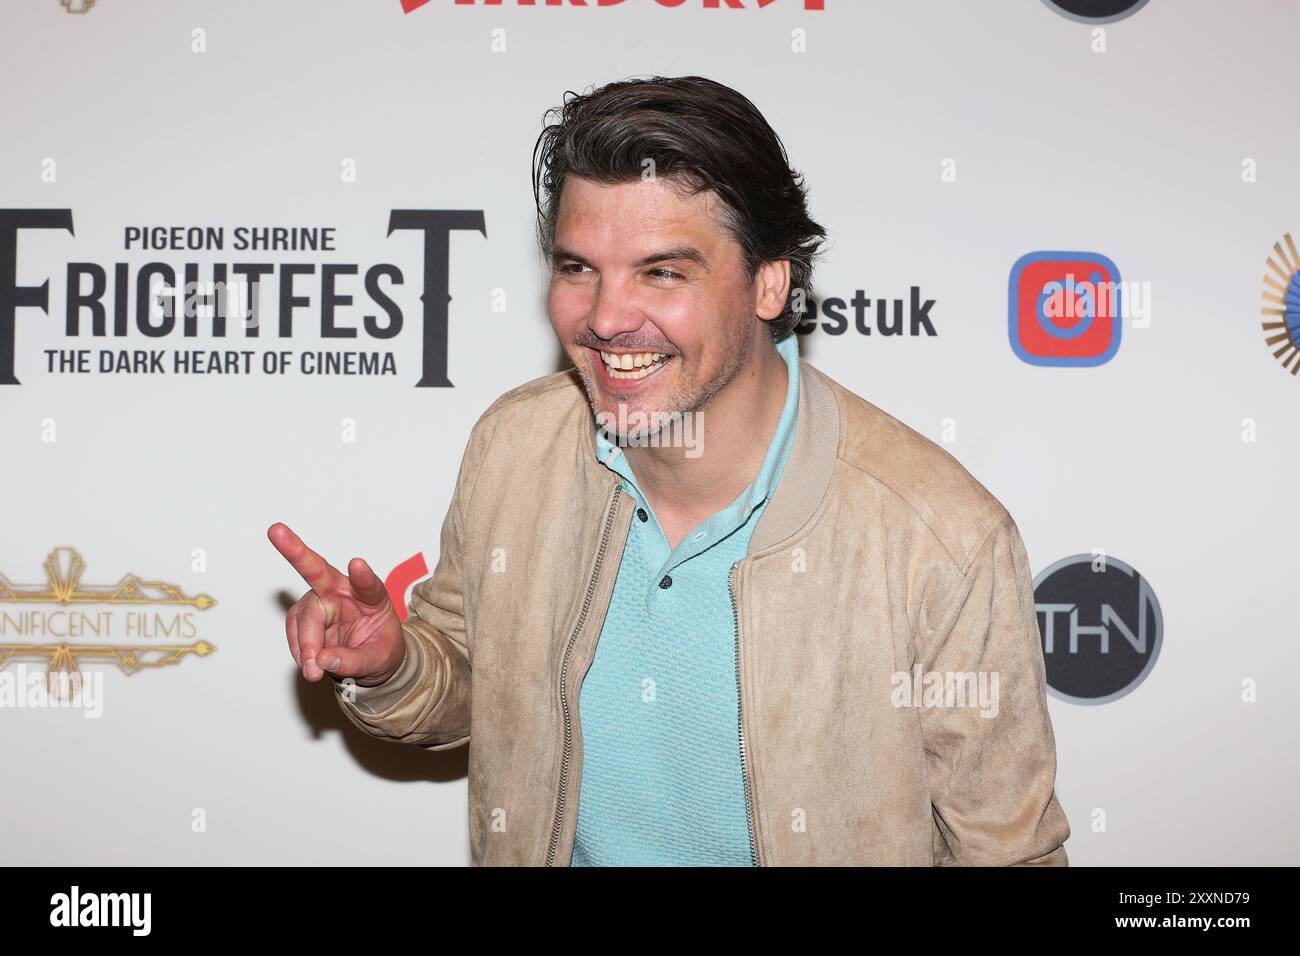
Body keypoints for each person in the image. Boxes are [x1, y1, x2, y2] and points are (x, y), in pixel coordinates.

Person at [267, 75, 1070, 866]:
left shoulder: (941, 537)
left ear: (769, 281)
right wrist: (394, 663)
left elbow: (1010, 853)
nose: (607, 318)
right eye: (578, 267)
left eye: (662, 272)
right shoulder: (514, 449)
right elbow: (480, 683)